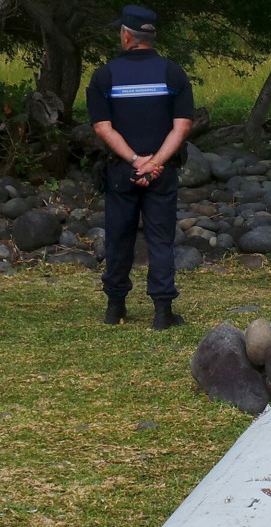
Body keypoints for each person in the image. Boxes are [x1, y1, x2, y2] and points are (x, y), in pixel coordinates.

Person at [86, 5, 194, 330]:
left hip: (121, 170)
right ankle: (163, 312)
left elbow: (103, 128)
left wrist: (135, 161)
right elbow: (183, 125)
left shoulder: (105, 75)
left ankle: (114, 307)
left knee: (119, 238)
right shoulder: (173, 73)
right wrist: (155, 163)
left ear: (126, 35)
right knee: (161, 240)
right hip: (162, 171)